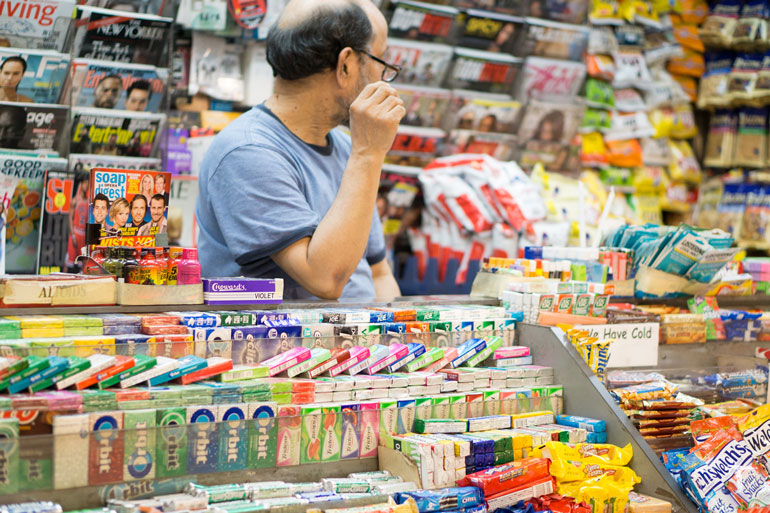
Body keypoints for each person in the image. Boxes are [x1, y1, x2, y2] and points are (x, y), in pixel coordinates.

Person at [196, 0, 405, 300]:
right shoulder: (247, 151)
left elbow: (378, 272)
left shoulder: (348, 147)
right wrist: (368, 155)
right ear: (346, 65)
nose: (382, 79)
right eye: (379, 61)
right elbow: (325, 280)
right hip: (290, 332)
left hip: (364, 328)